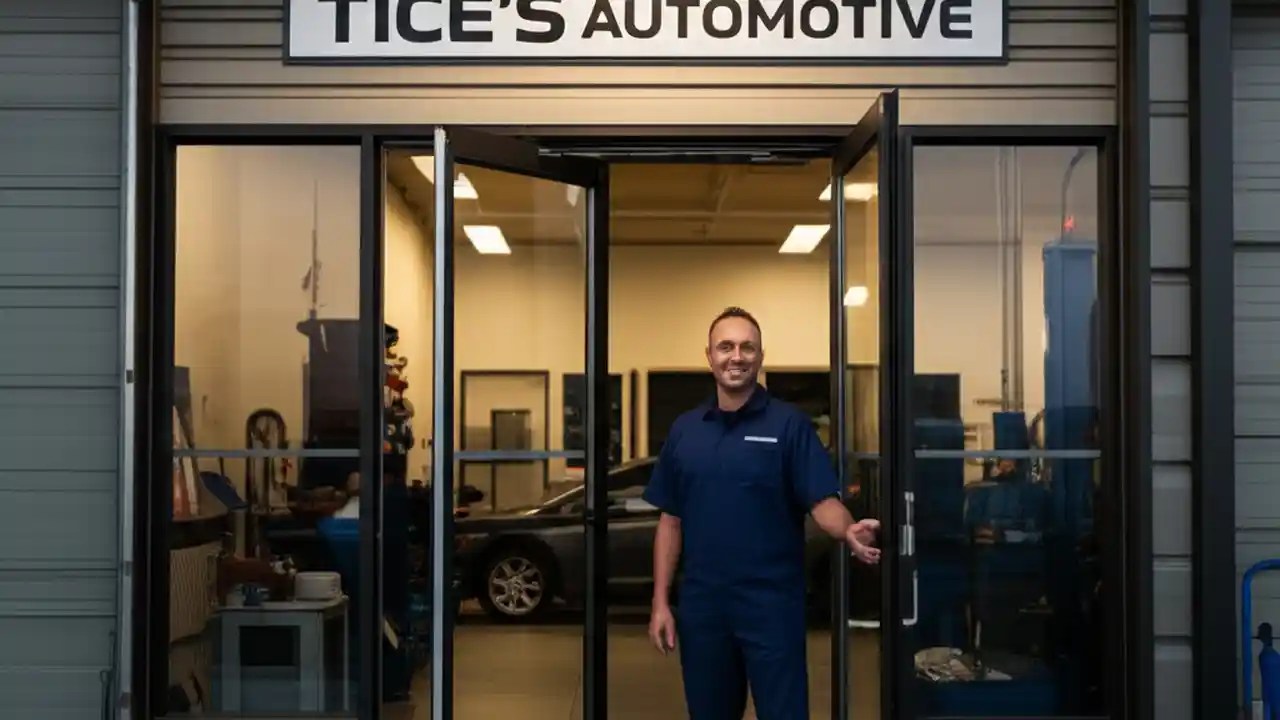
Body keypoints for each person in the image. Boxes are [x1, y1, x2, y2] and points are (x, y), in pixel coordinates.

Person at [643, 306, 881, 720]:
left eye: (747, 347)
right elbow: (670, 521)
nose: (737, 356)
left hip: (771, 605)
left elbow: (821, 502)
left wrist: (848, 531)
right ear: (709, 356)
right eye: (726, 346)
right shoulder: (685, 430)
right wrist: (661, 602)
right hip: (704, 606)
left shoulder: (789, 426)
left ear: (760, 356)